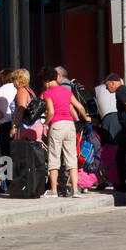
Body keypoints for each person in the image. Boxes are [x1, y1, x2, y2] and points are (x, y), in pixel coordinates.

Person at [39, 66, 87, 198]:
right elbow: (80, 107)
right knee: (71, 158)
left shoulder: (48, 93)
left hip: (57, 125)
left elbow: (51, 112)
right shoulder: (66, 91)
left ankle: (53, 191)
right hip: (70, 125)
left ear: (47, 80)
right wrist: (85, 117)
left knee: (54, 158)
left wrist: (46, 124)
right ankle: (76, 190)